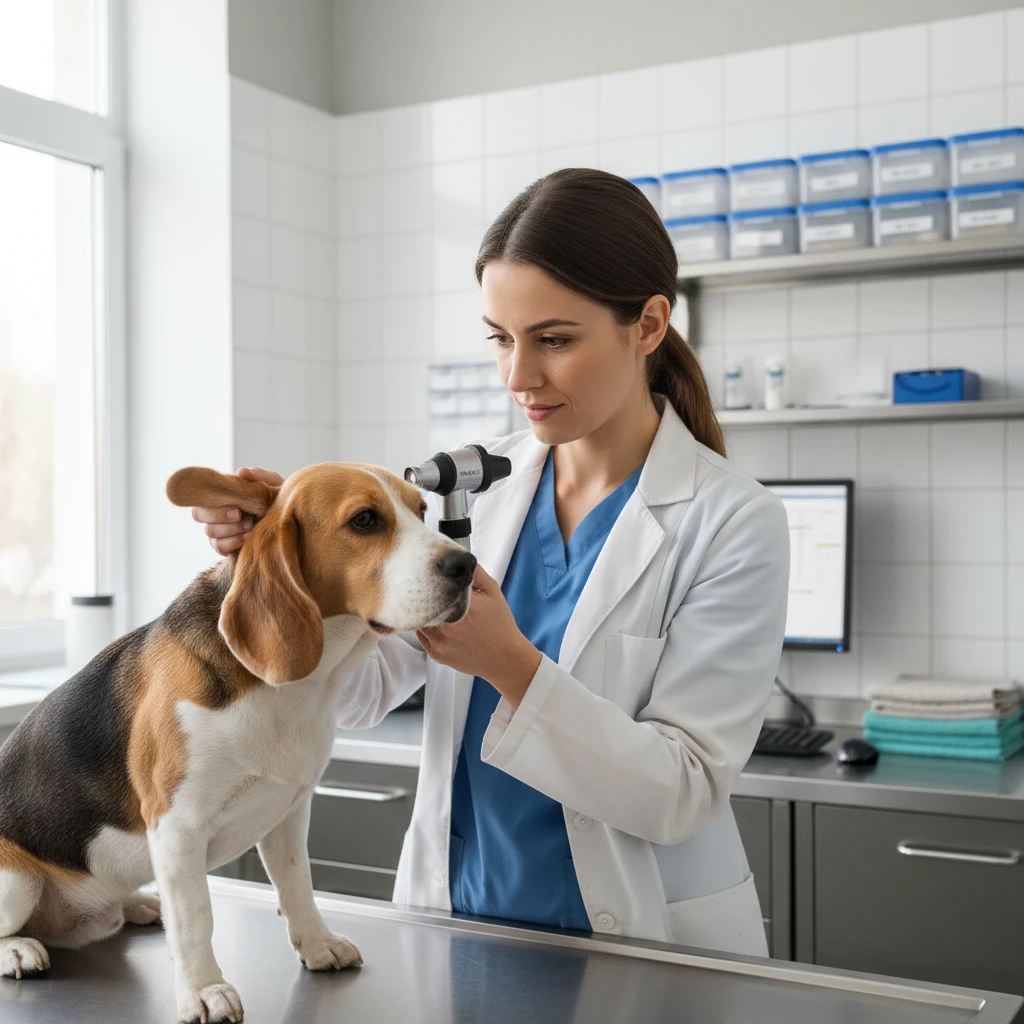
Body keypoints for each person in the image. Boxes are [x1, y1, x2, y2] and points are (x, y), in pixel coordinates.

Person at [193, 168, 789, 957]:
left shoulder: (735, 521)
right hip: (458, 917)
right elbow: (360, 692)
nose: (519, 377)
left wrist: (511, 665)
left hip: (638, 942)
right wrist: (283, 569)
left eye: (554, 339)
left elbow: (682, 793)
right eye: (501, 339)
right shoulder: (482, 493)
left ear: (647, 326)